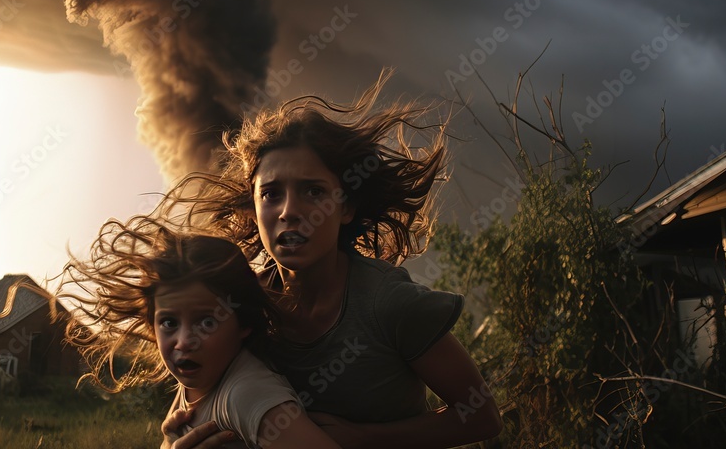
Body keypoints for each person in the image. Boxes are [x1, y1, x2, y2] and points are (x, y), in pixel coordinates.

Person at [160, 71, 503, 448]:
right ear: (253, 208)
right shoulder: (246, 306)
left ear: (346, 208)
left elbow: (481, 417)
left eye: (313, 191)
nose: (289, 211)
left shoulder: (390, 305)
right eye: (271, 194)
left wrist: (364, 439)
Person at [60, 215, 343, 449]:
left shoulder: (247, 394)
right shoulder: (196, 382)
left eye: (207, 322)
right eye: (169, 322)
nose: (184, 342)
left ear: (243, 323)